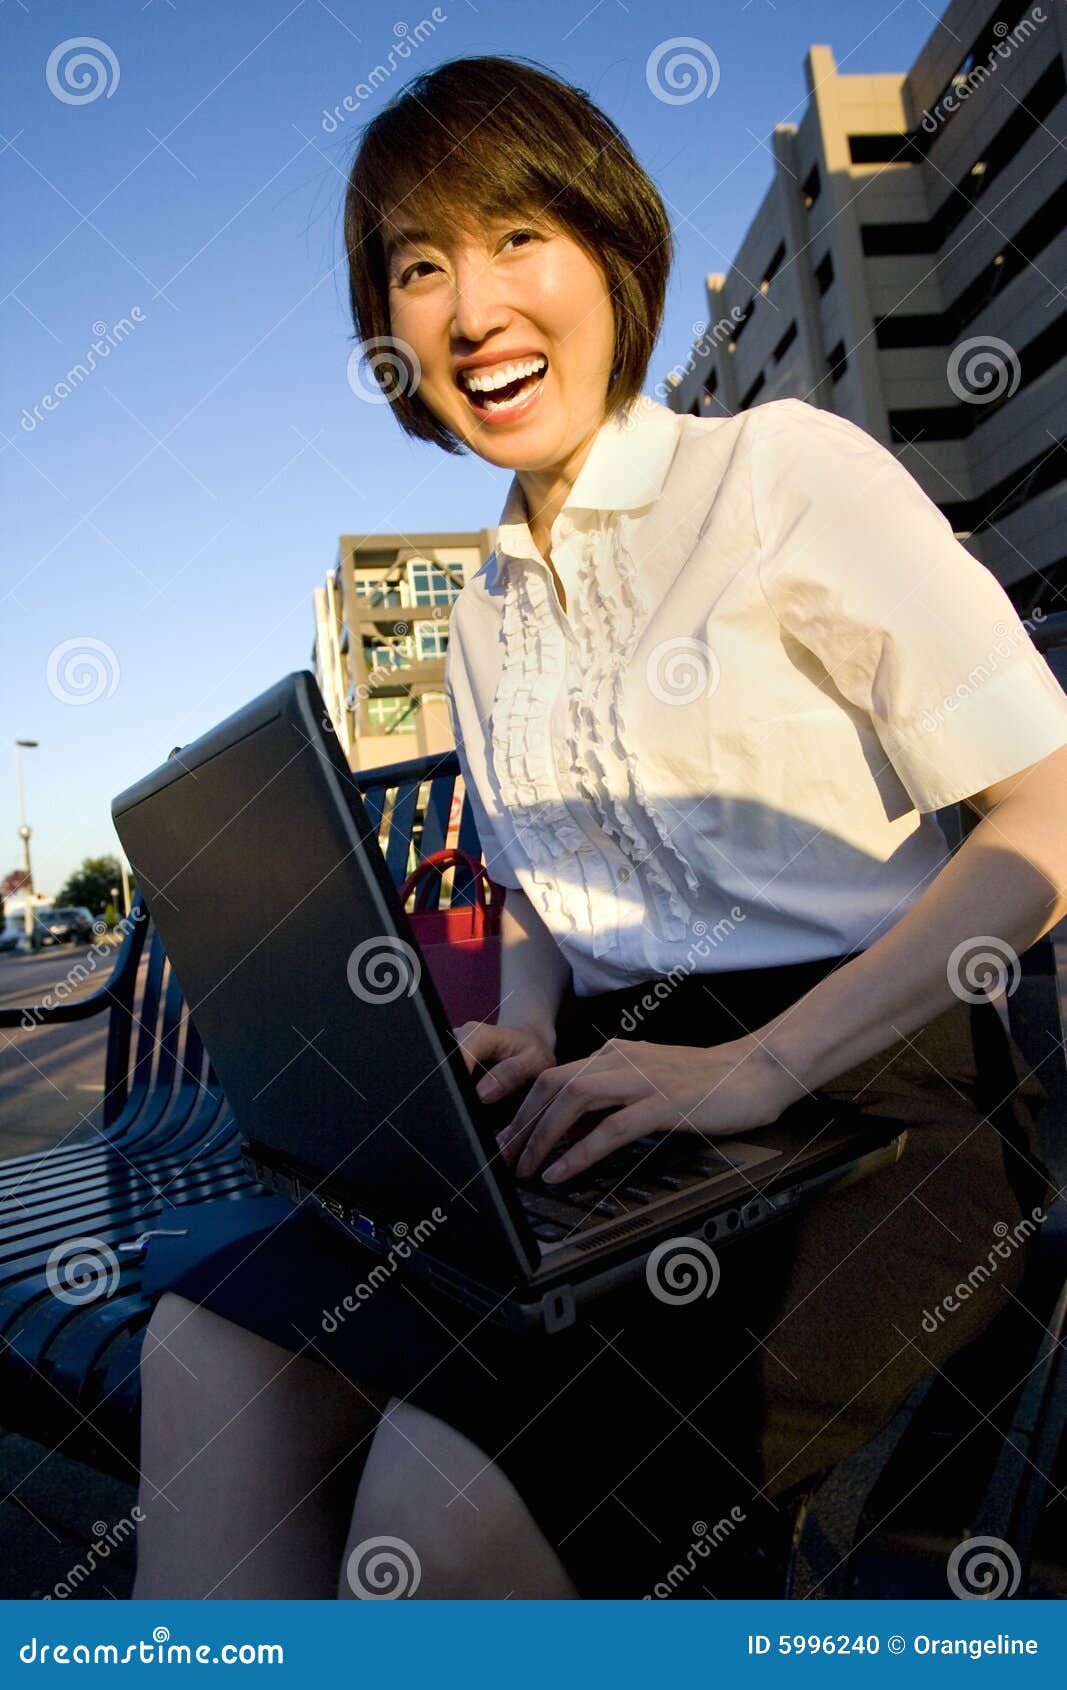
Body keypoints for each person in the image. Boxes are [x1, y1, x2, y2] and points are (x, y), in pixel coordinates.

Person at [131, 53, 1067, 1601]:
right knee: (206, 1343)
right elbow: (530, 890)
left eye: (517, 239)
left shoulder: (779, 470)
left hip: (875, 1098)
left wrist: (757, 1063)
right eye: (419, 268)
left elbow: (1044, 815)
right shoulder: (478, 614)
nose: (472, 306)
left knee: (433, 1510)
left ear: (611, 250)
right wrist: (517, 1021)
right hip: (613, 1097)